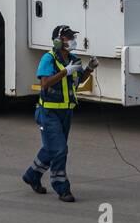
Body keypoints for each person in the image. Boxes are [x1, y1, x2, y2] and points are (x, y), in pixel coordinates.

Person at [22, 25, 97, 202]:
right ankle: (62, 187)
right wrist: (65, 71)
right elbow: (45, 83)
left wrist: (89, 68)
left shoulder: (74, 59)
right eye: (68, 37)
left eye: (72, 37)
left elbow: (77, 81)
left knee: (51, 148)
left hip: (66, 112)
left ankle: (32, 175)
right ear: (57, 41)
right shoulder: (48, 59)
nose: (72, 40)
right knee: (60, 149)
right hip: (48, 112)